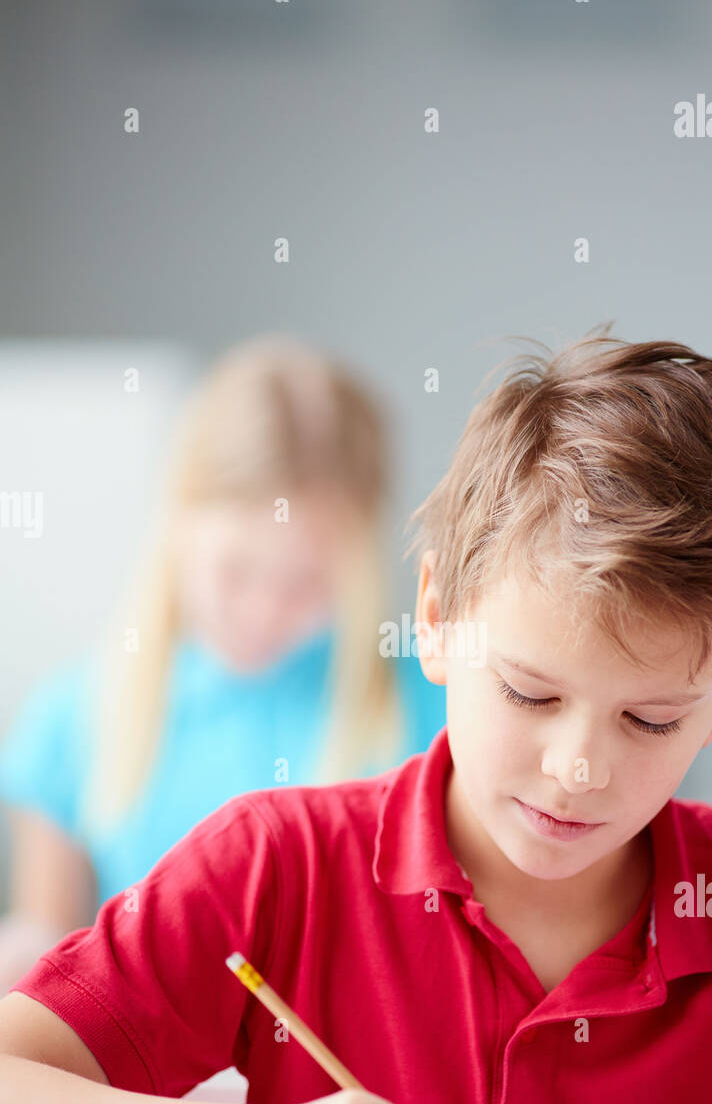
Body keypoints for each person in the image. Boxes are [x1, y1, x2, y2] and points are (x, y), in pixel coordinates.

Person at [1, 331, 712, 1104]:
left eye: (652, 721)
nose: (579, 769)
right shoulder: (271, 867)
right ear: (436, 623)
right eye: (531, 694)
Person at [0, 335, 445, 989]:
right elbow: (49, 976)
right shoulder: (71, 718)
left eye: (307, 584)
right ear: (177, 522)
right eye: (236, 573)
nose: (265, 611)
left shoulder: (438, 703)